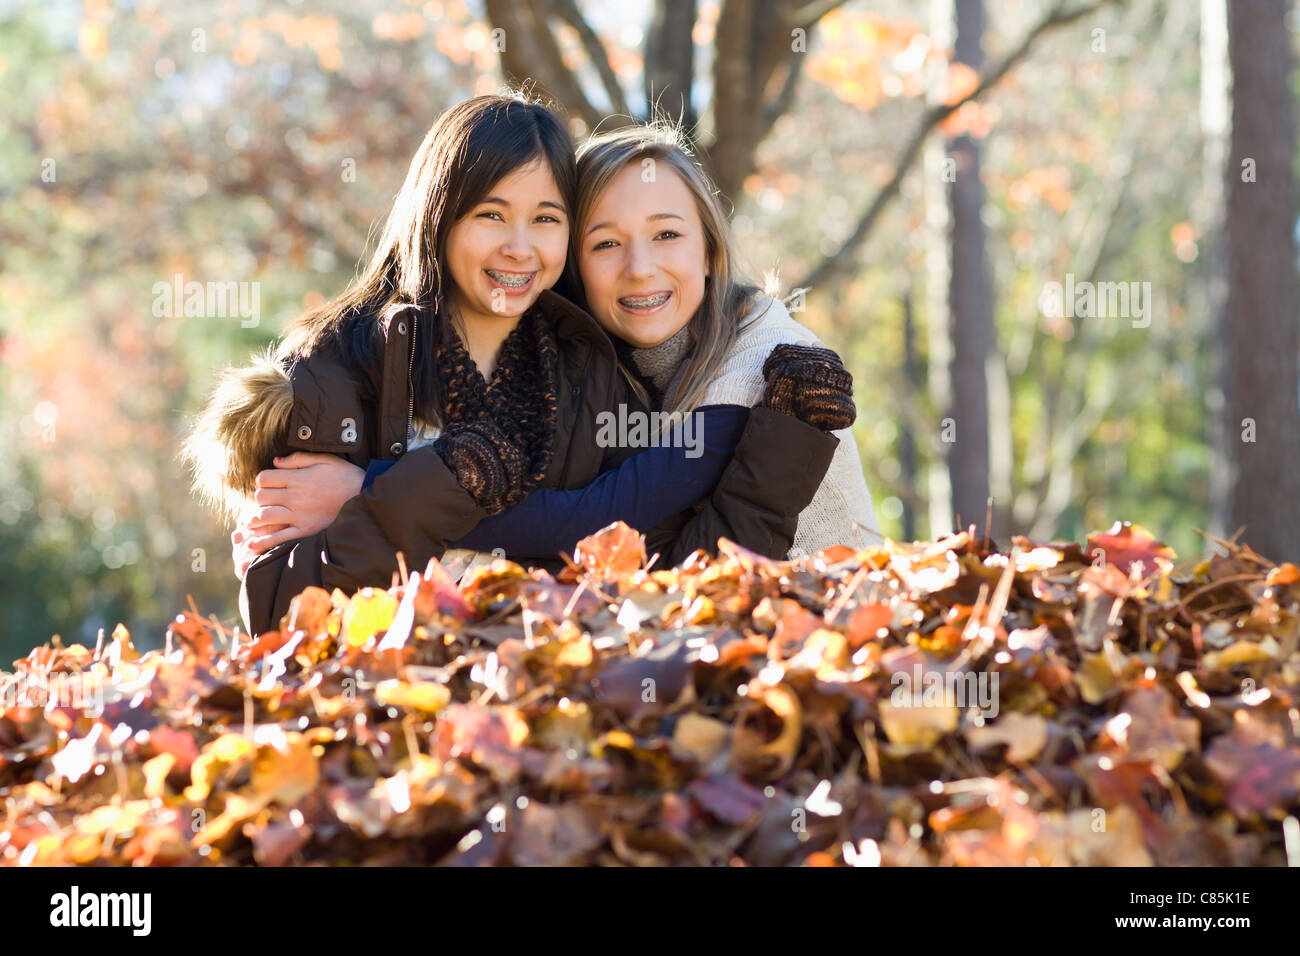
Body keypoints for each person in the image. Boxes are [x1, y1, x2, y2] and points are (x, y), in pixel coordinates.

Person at [182, 95, 853, 636]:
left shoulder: (594, 371)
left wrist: (393, 490)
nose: (519, 247)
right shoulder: (338, 368)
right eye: (490, 215)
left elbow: (651, 571)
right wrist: (436, 488)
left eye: (546, 219)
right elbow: (281, 615)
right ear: (438, 218)